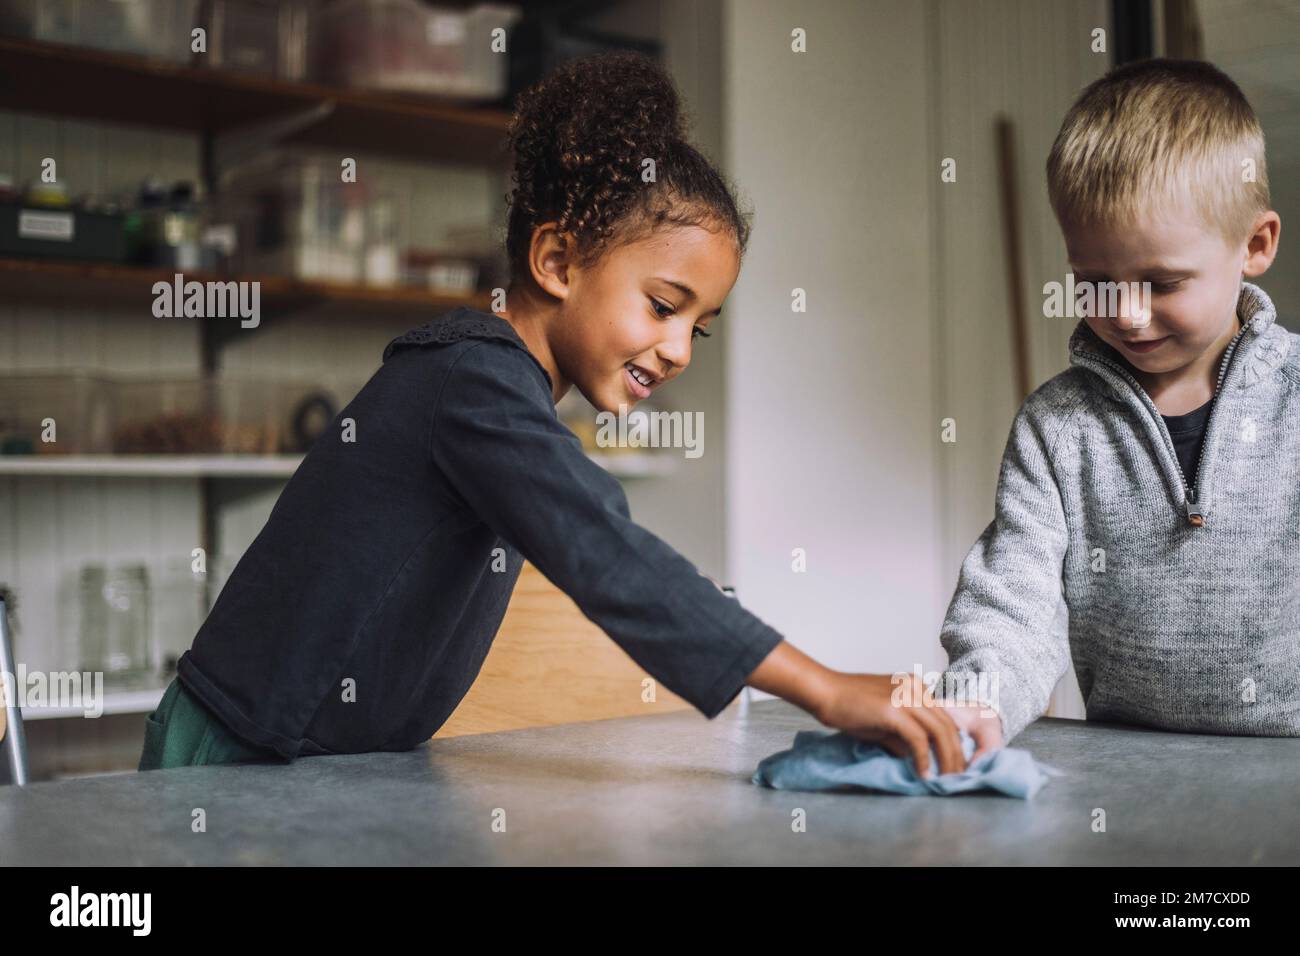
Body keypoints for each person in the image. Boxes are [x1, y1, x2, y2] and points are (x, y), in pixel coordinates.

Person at [140, 51, 967, 776]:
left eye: (698, 327)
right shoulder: (472, 383)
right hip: (236, 754)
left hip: (317, 770)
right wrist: (824, 687)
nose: (679, 349)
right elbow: (606, 550)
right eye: (662, 305)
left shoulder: (504, 395)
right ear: (557, 260)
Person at [939, 59, 1293, 747]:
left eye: (1162, 282)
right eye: (1094, 280)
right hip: (1126, 772)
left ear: (1254, 246)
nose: (1127, 313)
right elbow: (1014, 600)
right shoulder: (1057, 427)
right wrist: (975, 707)